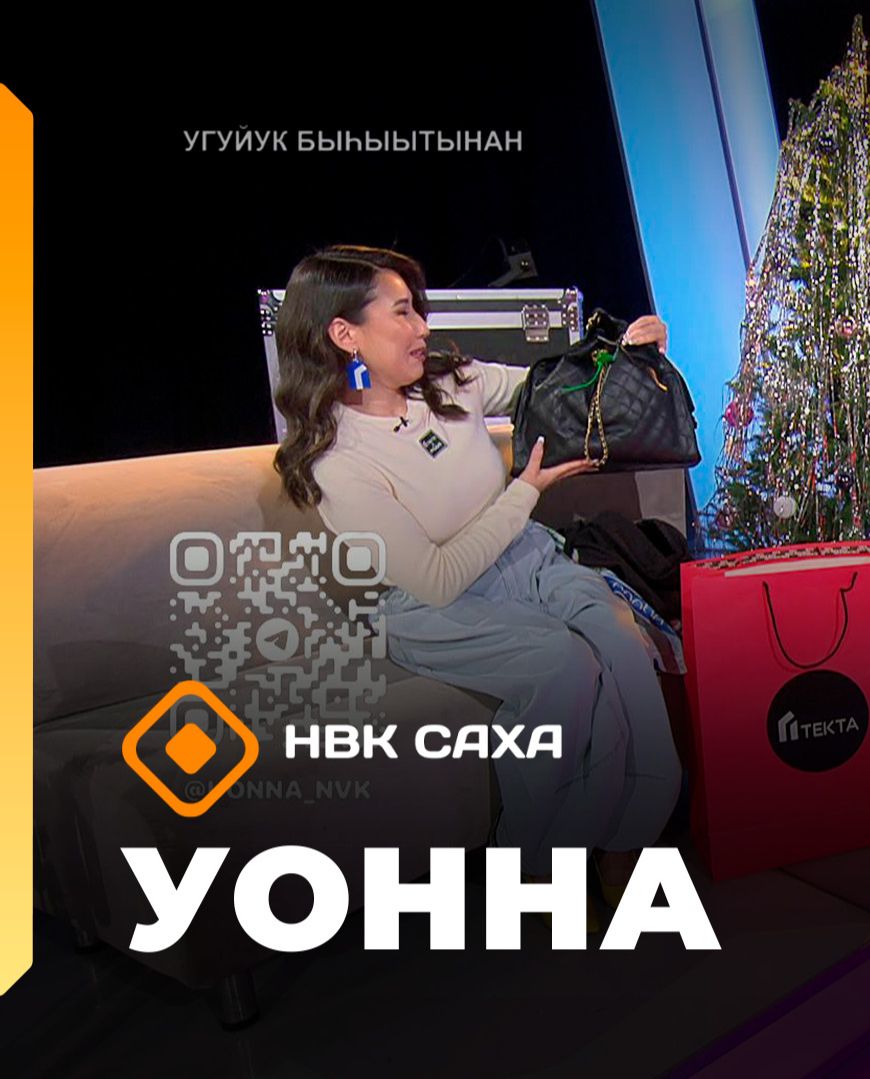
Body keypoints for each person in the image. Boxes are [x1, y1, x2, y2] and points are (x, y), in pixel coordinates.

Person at [271, 244, 681, 914]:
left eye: (418, 309)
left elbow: (555, 384)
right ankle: (531, 865)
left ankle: (624, 843)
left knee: (622, 641)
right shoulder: (336, 459)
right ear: (345, 333)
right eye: (401, 312)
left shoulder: (451, 381)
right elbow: (435, 579)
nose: (421, 327)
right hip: (430, 607)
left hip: (527, 558)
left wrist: (629, 354)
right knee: (564, 666)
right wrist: (526, 490)